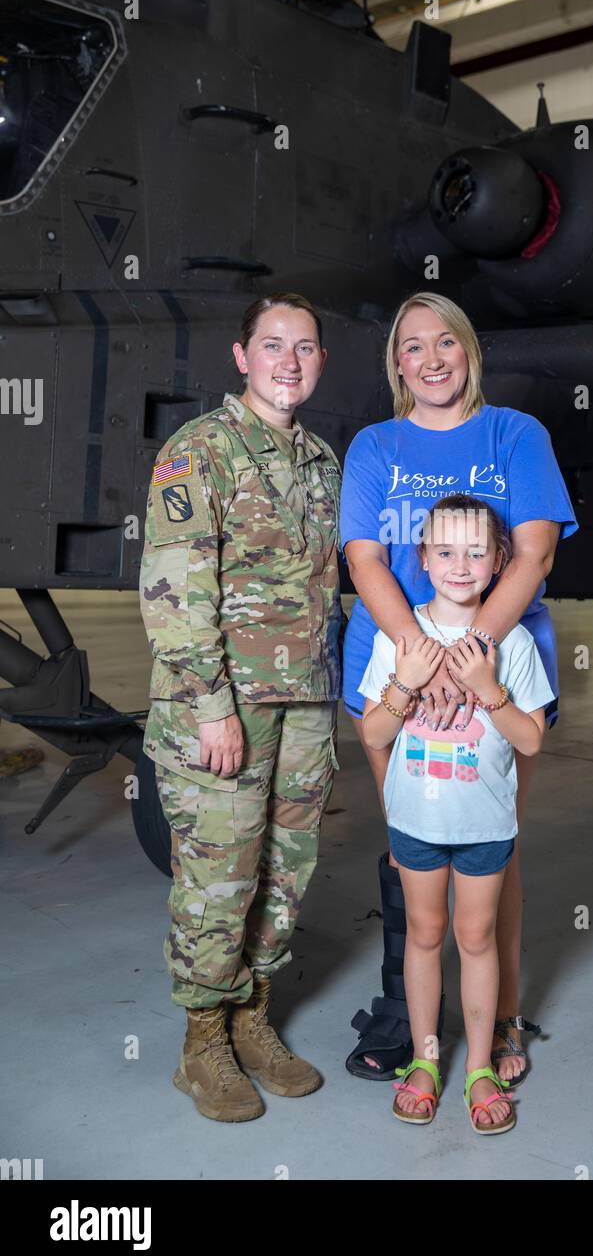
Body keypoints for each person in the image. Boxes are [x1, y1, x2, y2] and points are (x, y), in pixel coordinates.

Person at [341, 290, 578, 1085]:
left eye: (446, 342)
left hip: (498, 662)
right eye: (413, 346)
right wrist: (419, 654)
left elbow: (536, 554)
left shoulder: (517, 434)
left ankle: (500, 1021)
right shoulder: (374, 445)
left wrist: (469, 655)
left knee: (491, 850)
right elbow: (366, 561)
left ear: (469, 351)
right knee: (412, 836)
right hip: (397, 665)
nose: (432, 359)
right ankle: (411, 1023)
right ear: (396, 362)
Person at [139, 292, 341, 1123]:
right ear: (241, 356)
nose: (288, 360)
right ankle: (203, 1045)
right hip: (222, 706)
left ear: (321, 361)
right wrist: (212, 705)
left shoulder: (323, 460)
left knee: (283, 874)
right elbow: (176, 591)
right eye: (272, 344)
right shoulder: (201, 452)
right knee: (218, 879)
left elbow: (337, 585)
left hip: (307, 704)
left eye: (304, 347)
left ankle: (254, 1017)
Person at [360, 495, 554, 1133]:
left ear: (500, 562)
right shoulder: (402, 641)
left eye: (477, 552)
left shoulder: (513, 643)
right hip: (416, 825)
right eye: (445, 551)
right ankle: (425, 1059)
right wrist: (407, 679)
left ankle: (478, 1067)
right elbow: (377, 732)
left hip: (485, 829)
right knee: (423, 936)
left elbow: (529, 740)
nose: (461, 565)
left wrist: (488, 689)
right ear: (423, 559)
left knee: (476, 939)